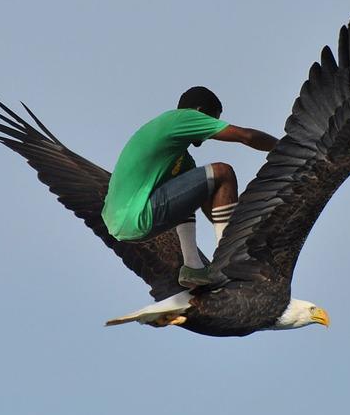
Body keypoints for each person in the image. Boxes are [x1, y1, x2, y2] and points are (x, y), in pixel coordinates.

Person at [101, 86, 277, 288]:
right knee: (223, 172)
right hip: (137, 215)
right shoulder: (183, 117)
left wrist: (249, 229)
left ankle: (193, 268)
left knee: (191, 188)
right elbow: (246, 136)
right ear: (200, 111)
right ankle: (229, 262)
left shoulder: (179, 158)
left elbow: (208, 207)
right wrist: (284, 147)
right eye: (212, 119)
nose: (206, 136)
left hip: (118, 222)